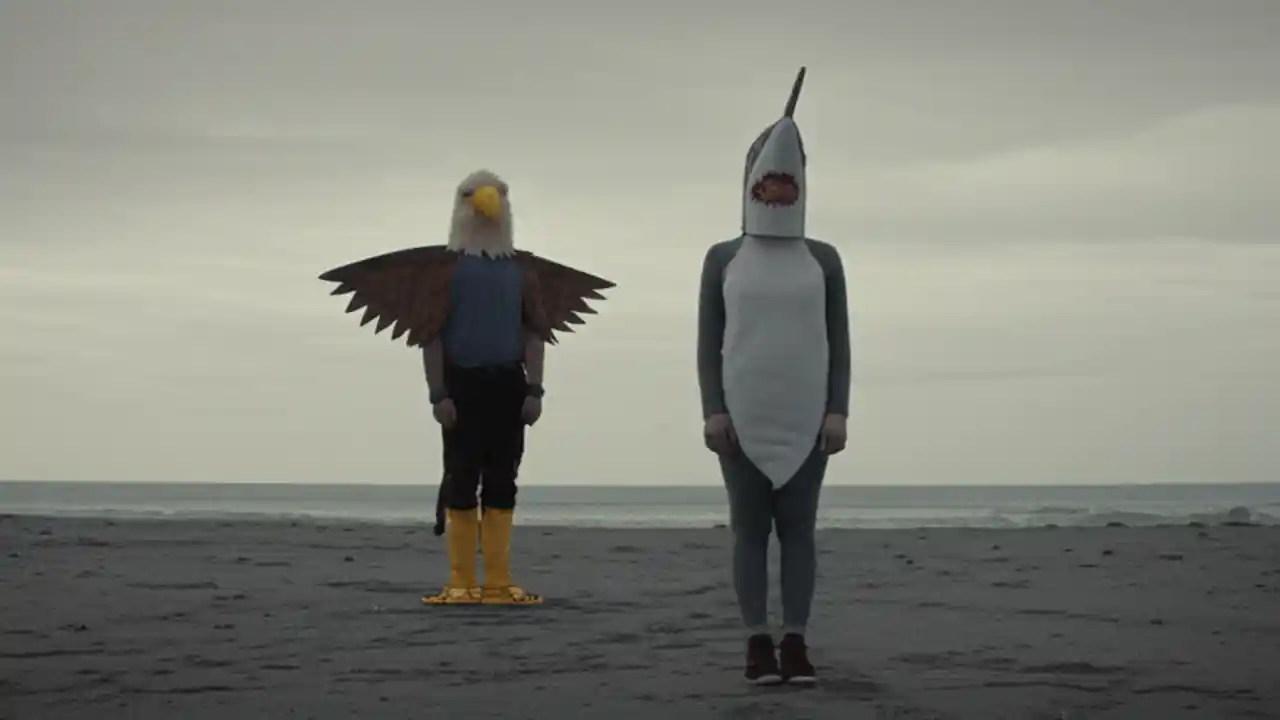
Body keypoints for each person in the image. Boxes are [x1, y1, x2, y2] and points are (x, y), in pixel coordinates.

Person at [318, 169, 614, 605]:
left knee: (503, 480)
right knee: (461, 478)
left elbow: (535, 333)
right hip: (462, 384)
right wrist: (439, 394)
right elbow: (430, 335)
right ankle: (460, 580)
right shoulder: (445, 272)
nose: (488, 204)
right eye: (473, 197)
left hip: (508, 385)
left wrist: (535, 390)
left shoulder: (521, 272)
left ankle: (497, 580)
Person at [696, 68, 852, 685]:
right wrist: (714, 409)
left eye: (790, 184)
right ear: (750, 184)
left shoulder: (824, 260)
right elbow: (710, 341)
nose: (779, 192)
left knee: (799, 532)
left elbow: (838, 339)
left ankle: (797, 641)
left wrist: (837, 408)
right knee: (749, 532)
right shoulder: (722, 259)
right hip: (740, 419)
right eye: (771, 182)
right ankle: (756, 640)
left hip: (809, 419)